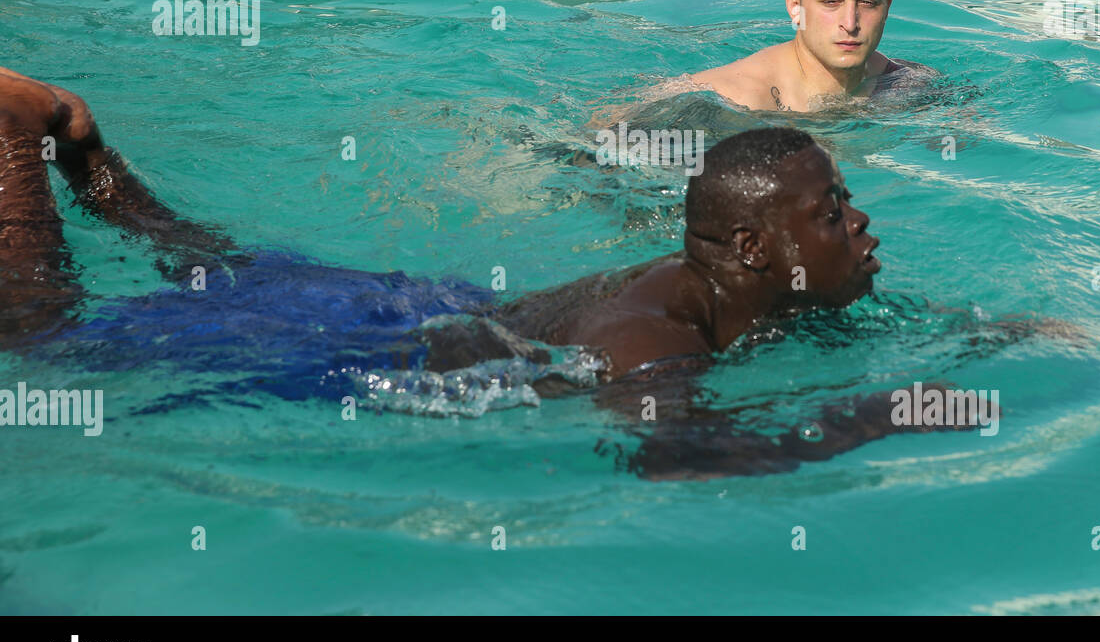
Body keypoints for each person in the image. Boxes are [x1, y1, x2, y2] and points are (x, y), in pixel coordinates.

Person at [1, 66, 1023, 480]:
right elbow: (675, 458)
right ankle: (13, 137)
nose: (860, 221)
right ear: (757, 250)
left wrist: (1002, 337)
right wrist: (892, 412)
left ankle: (75, 141)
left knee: (216, 257)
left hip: (437, 305)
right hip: (355, 348)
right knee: (48, 343)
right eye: (831, 212)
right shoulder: (647, 343)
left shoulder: (737, 281)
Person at [679, 0, 929, 113]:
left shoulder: (905, 82)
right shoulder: (735, 97)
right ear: (795, 8)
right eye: (831, 2)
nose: (850, 24)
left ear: (886, 8)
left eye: (867, 2)